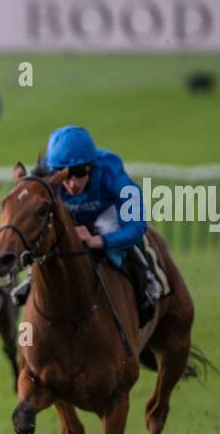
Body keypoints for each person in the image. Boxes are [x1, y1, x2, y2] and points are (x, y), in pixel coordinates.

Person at [12, 125, 161, 324]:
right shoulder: (46, 174)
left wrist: (96, 240)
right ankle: (32, 278)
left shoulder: (112, 172)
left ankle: (146, 278)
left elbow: (136, 227)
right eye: (64, 174)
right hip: (69, 216)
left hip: (105, 212)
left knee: (111, 229)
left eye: (80, 172)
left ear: (91, 166)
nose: (72, 183)